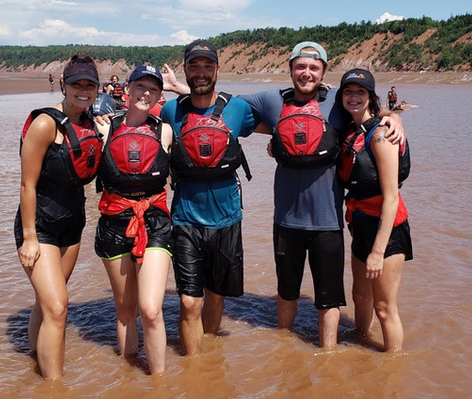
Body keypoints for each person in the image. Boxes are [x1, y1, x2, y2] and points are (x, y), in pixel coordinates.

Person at [240, 42, 405, 349]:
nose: (306, 73)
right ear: (289, 68)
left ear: (324, 72)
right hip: (286, 220)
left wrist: (393, 118)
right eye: (300, 67)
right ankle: (284, 353)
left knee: (329, 297)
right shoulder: (271, 101)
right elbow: (219, 103)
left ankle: (328, 356)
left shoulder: (337, 105)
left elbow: (366, 109)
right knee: (286, 292)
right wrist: (181, 90)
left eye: (313, 68)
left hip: (328, 221)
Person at [159, 39, 257, 356]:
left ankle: (209, 361)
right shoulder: (171, 110)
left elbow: (280, 122)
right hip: (185, 218)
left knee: (215, 296)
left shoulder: (238, 109)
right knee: (189, 301)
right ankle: (193, 368)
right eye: (194, 66)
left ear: (217, 69)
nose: (200, 73)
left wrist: (385, 116)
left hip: (227, 218)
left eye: (207, 66)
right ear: (186, 69)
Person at [14, 54, 103, 380]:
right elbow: (27, 183)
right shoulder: (44, 124)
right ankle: (53, 390)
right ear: (63, 84)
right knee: (57, 306)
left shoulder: (90, 123)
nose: (83, 90)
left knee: (48, 301)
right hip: (40, 226)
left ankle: (36, 359)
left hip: (72, 224)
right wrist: (29, 237)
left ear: (97, 88)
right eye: (76, 83)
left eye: (89, 85)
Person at [94, 64, 174, 374]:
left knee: (150, 309)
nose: (145, 93)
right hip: (115, 221)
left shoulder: (164, 131)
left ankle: (159, 386)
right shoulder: (105, 127)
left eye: (152, 89)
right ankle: (128, 381)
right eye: (139, 86)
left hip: (154, 220)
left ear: (158, 95)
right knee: (126, 311)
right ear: (126, 90)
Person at [336, 69, 412, 352]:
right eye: (348, 92)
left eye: (360, 92)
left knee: (383, 306)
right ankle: (360, 343)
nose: (354, 97)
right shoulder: (350, 130)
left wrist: (378, 253)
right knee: (359, 295)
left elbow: (391, 198)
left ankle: (392, 367)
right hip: (360, 223)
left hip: (388, 230)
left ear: (370, 97)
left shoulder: (380, 135)